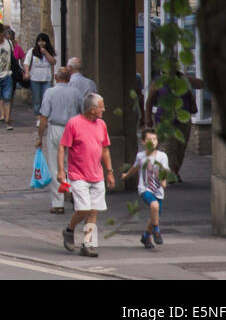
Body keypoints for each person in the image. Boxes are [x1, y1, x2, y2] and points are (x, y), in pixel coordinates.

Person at [58, 92, 115, 257]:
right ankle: (69, 230)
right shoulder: (73, 123)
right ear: (93, 108)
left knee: (94, 211)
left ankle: (87, 244)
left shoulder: (102, 124)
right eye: (102, 106)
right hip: (78, 174)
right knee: (83, 209)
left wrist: (110, 172)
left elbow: (105, 149)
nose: (104, 109)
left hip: (97, 175)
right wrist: (61, 170)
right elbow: (63, 147)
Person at [37, 67, 83, 214]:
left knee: (55, 165)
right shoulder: (76, 93)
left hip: (56, 128)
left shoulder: (50, 92)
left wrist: (40, 136)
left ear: (56, 78)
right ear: (69, 79)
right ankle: (76, 195)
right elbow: (82, 112)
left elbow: (44, 115)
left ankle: (58, 203)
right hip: (73, 128)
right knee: (73, 163)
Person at [147, 69, 204, 179]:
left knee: (180, 149)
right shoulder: (158, 83)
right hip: (165, 121)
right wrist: (148, 117)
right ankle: (170, 174)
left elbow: (201, 84)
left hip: (183, 121)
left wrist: (186, 78)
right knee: (169, 147)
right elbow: (149, 101)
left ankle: (174, 171)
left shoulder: (184, 81)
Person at [123, 130, 170, 249]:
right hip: (145, 188)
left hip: (158, 190)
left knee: (155, 215)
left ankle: (146, 236)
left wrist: (163, 180)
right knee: (154, 206)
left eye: (154, 139)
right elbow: (135, 167)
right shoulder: (140, 156)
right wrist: (126, 175)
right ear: (143, 142)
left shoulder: (162, 156)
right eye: (149, 139)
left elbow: (164, 170)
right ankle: (157, 232)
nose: (152, 142)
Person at [24, 33, 57, 116]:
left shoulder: (50, 51)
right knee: (37, 99)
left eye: (43, 41)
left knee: (46, 99)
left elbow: (53, 62)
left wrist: (46, 53)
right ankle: (38, 117)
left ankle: (45, 116)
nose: (41, 43)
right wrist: (27, 72)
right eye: (39, 41)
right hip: (35, 78)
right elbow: (26, 63)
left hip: (47, 79)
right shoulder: (32, 51)